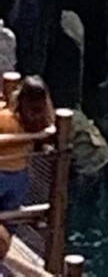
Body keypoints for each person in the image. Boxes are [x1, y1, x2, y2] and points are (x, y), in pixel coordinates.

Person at [0, 76, 54, 216]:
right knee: (11, 217)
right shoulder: (41, 123)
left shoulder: (6, 118)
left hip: (2, 171)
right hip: (20, 176)